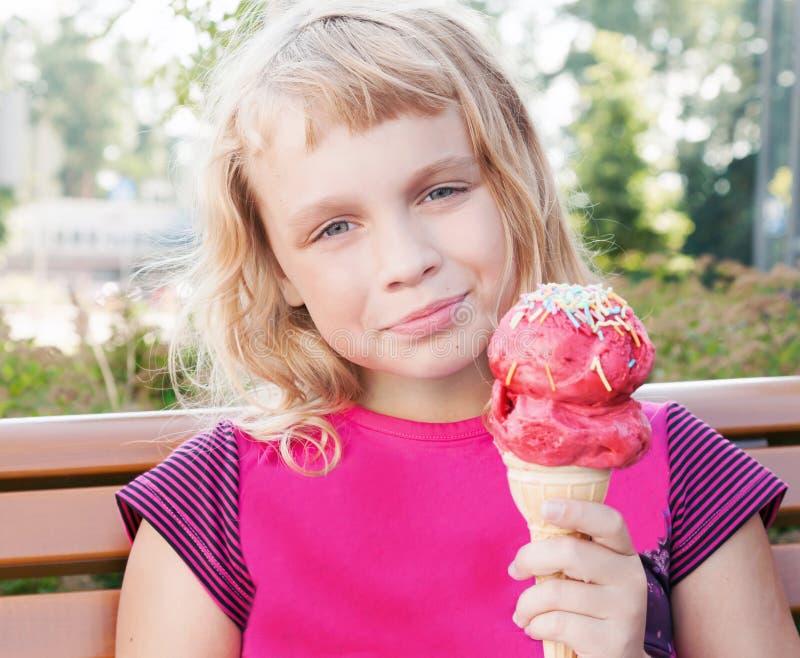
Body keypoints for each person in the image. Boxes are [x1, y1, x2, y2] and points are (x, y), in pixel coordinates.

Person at [113, 1, 798, 656]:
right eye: (334, 227)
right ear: (277, 268)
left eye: (441, 191)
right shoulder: (211, 506)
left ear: (513, 183)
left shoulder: (681, 472)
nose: (408, 262)